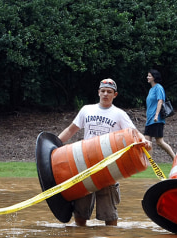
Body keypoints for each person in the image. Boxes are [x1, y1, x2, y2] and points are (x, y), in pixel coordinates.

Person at [58, 78, 146, 227]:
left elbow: (135, 133)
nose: (105, 94)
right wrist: (54, 145)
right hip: (84, 166)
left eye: (109, 92)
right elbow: (70, 130)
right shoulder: (86, 109)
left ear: (115, 95)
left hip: (110, 168)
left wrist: (145, 141)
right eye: (103, 91)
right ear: (98, 92)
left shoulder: (120, 114)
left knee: (110, 214)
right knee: (80, 213)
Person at [144, 69, 175, 160]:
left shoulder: (158, 87)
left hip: (156, 119)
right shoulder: (151, 89)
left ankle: (175, 158)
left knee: (159, 142)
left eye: (149, 76)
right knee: (147, 141)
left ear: (154, 77)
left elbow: (160, 101)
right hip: (150, 119)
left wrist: (156, 115)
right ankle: (149, 164)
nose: (147, 77)